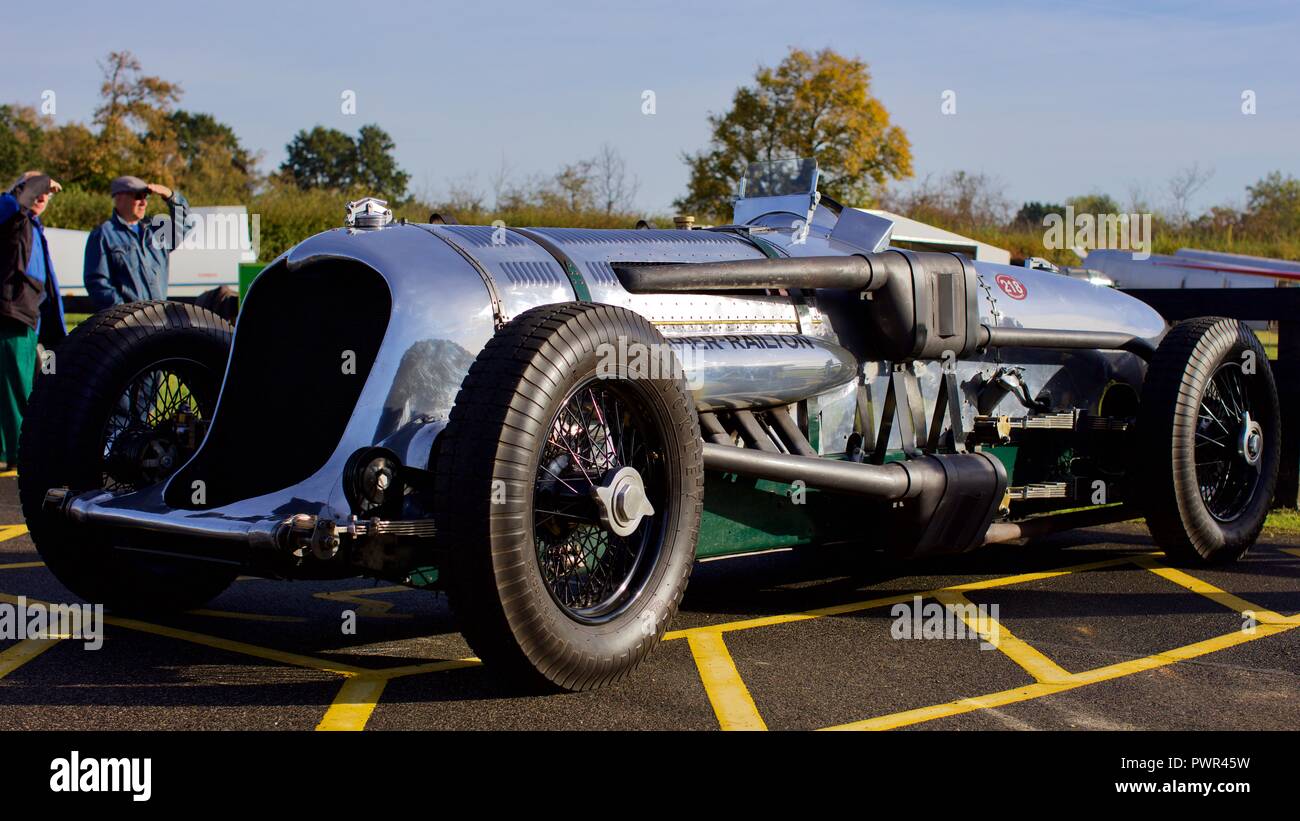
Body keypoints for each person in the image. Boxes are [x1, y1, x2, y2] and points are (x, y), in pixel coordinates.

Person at [0, 171, 68, 471]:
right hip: (11, 316)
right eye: (38, 191)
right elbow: (17, 200)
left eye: (47, 194)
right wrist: (41, 181)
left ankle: (17, 451)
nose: (42, 197)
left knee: (29, 388)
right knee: (15, 388)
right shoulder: (8, 209)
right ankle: (16, 453)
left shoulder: (34, 226)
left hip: (34, 322)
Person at [84, 176, 191, 309]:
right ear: (119, 198)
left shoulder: (156, 230)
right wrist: (123, 313)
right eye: (138, 196)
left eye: (145, 197)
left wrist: (170, 196)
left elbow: (185, 224)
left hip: (159, 320)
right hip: (125, 324)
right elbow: (97, 283)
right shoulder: (103, 235)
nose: (144, 203)